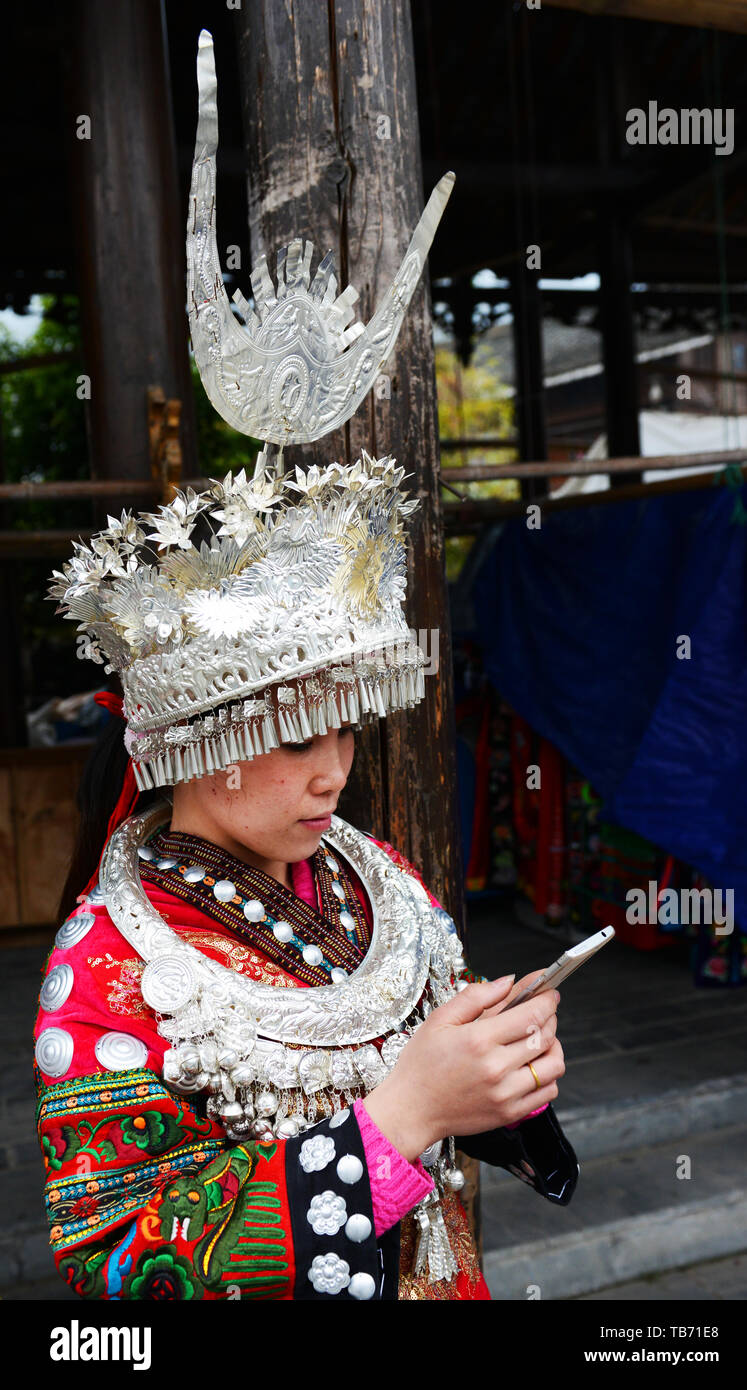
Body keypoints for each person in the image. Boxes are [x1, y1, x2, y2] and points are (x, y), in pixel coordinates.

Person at [32, 29, 571, 1301]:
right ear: (189, 737)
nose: (334, 770)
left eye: (343, 724)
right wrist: (394, 1120)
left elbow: (450, 1113)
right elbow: (122, 1276)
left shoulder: (365, 874)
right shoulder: (108, 968)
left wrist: (493, 1071)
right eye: (291, 732)